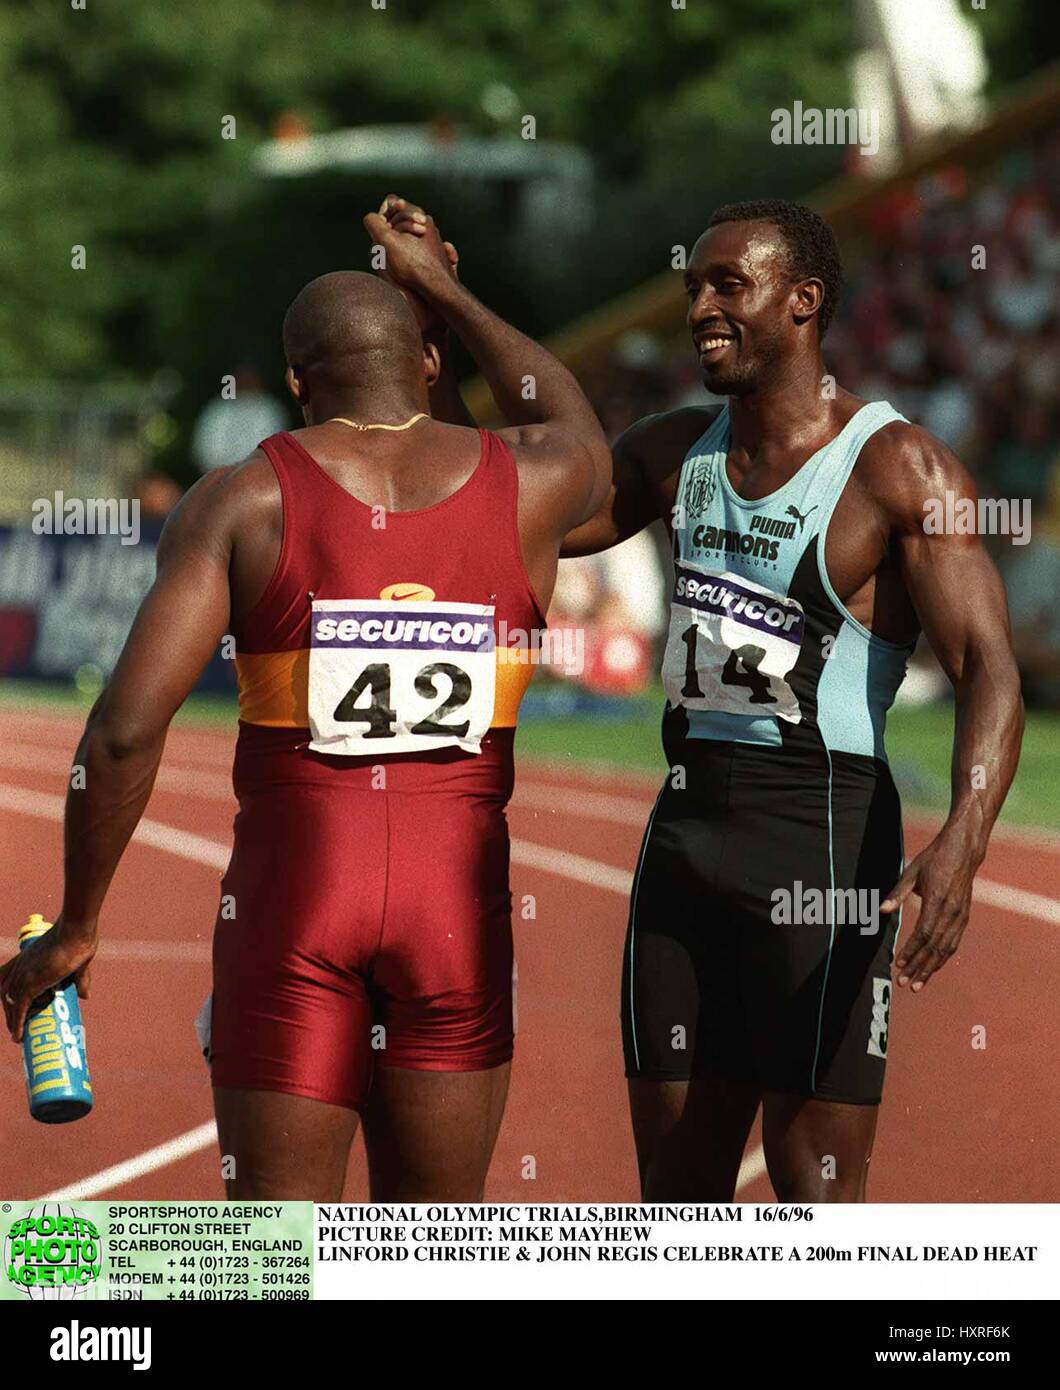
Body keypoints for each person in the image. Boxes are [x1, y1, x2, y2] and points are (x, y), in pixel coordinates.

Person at [0, 199, 609, 1201]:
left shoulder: (240, 498)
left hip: (293, 902)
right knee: (435, 1252)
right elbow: (575, 426)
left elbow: (123, 734)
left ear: (295, 383)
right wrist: (445, 292)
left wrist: (77, 921)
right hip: (455, 912)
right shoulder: (530, 482)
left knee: (276, 1256)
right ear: (427, 361)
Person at [564, 199, 1023, 1201]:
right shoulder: (672, 450)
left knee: (814, 1199)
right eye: (693, 288)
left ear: (803, 301)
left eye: (728, 286)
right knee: (675, 1195)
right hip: (682, 840)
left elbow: (987, 664)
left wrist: (966, 831)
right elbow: (519, 503)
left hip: (821, 843)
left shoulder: (898, 468)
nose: (701, 308)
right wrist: (449, 305)